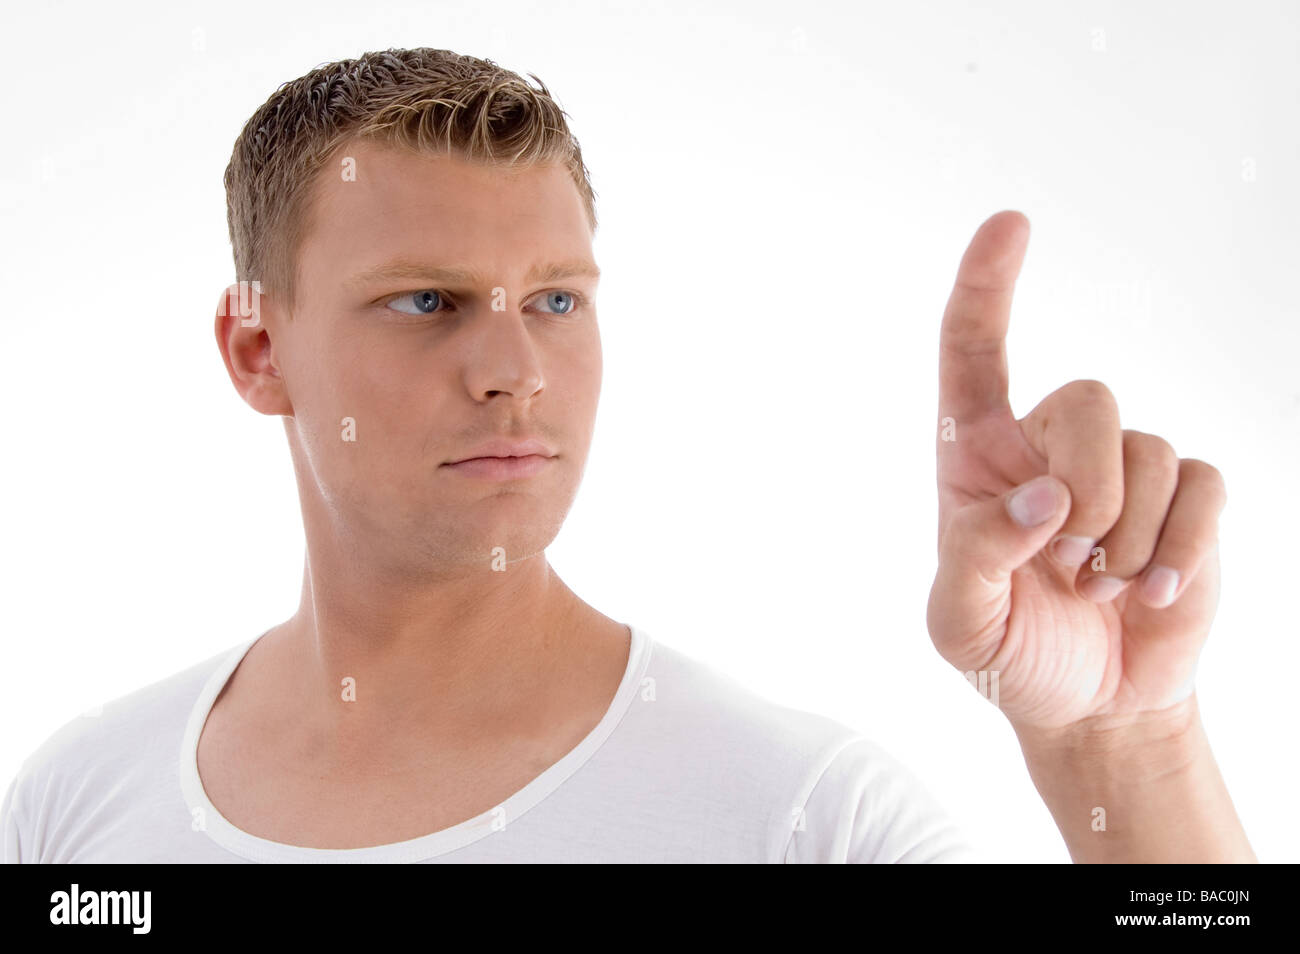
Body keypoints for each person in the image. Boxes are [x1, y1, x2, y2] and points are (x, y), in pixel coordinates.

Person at [1, 47, 1255, 863]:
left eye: (555, 299)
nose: (514, 369)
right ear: (257, 350)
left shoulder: (799, 817)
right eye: (428, 301)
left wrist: (1125, 754)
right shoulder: (81, 804)